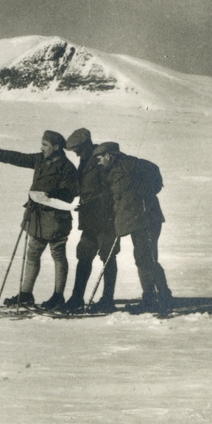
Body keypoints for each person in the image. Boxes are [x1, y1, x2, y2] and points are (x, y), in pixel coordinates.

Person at [0, 130, 79, 310]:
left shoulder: (67, 167)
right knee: (32, 254)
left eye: (45, 145)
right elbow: (17, 158)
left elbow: (71, 193)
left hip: (55, 219)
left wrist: (51, 194)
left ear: (56, 147)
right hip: (37, 217)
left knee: (58, 255)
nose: (41, 148)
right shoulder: (40, 160)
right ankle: (26, 294)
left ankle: (58, 296)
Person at [92, 142, 173, 313]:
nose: (98, 162)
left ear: (109, 156)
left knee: (147, 258)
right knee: (142, 258)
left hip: (147, 220)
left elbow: (154, 174)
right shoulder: (110, 171)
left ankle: (163, 297)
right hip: (134, 221)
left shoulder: (131, 164)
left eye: (100, 158)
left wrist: (145, 194)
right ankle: (151, 298)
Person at [63, 129, 119, 313]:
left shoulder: (101, 160)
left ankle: (107, 300)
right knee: (84, 256)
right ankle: (76, 298)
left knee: (107, 257)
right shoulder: (85, 159)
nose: (76, 153)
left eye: (78, 149)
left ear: (86, 145)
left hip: (105, 219)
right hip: (89, 220)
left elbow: (110, 189)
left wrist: (92, 202)